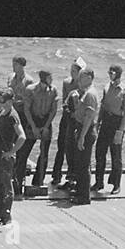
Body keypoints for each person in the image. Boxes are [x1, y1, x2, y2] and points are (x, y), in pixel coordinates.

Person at [0, 87, 24, 226]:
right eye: (1, 100)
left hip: (6, 155)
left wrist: (11, 152)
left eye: (5, 100)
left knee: (7, 185)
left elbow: (22, 137)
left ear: (11, 101)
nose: (3, 103)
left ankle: (6, 215)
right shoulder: (1, 112)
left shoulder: (13, 116)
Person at [16, 68, 58, 191]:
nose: (52, 80)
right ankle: (18, 181)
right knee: (23, 153)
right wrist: (33, 127)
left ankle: (38, 181)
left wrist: (46, 126)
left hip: (45, 121)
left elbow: (53, 110)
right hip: (32, 120)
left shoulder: (53, 90)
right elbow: (27, 110)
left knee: (44, 154)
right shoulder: (31, 90)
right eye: (50, 77)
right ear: (43, 78)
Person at [49, 56, 87, 190]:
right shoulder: (66, 83)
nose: (72, 73)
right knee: (61, 145)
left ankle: (72, 178)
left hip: (77, 120)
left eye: (74, 71)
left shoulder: (83, 87)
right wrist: (67, 109)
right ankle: (56, 175)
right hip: (66, 117)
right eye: (71, 70)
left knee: (73, 149)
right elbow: (65, 100)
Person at [93, 64, 125, 195]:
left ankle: (116, 184)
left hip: (117, 123)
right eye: (109, 72)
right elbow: (103, 107)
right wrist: (98, 123)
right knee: (100, 152)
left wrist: (120, 132)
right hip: (106, 121)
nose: (110, 75)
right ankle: (99, 182)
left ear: (118, 74)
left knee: (116, 155)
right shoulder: (106, 87)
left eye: (112, 73)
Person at [69, 67, 99, 206]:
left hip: (86, 131)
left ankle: (84, 196)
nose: (79, 81)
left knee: (84, 165)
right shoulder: (86, 93)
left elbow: (89, 117)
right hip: (82, 129)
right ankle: (81, 190)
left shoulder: (90, 95)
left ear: (88, 77)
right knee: (80, 163)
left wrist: (82, 136)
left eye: (81, 78)